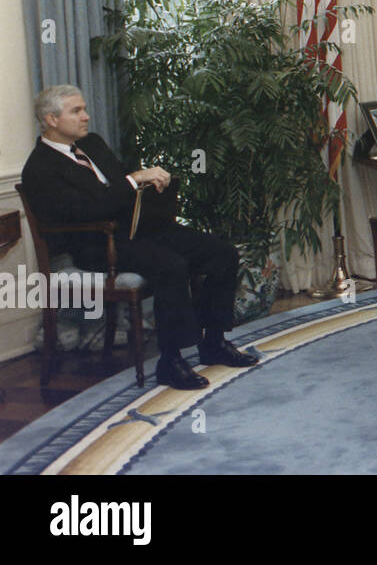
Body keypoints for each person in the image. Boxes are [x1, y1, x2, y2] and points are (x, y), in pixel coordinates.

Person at [21, 85, 257, 390]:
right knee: (171, 266)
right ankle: (170, 361)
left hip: (138, 230)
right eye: (76, 111)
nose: (86, 117)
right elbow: (89, 209)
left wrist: (153, 187)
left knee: (221, 253)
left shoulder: (91, 144)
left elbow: (119, 184)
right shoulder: (40, 168)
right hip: (97, 246)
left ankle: (213, 341)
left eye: (84, 109)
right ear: (51, 119)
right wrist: (135, 179)